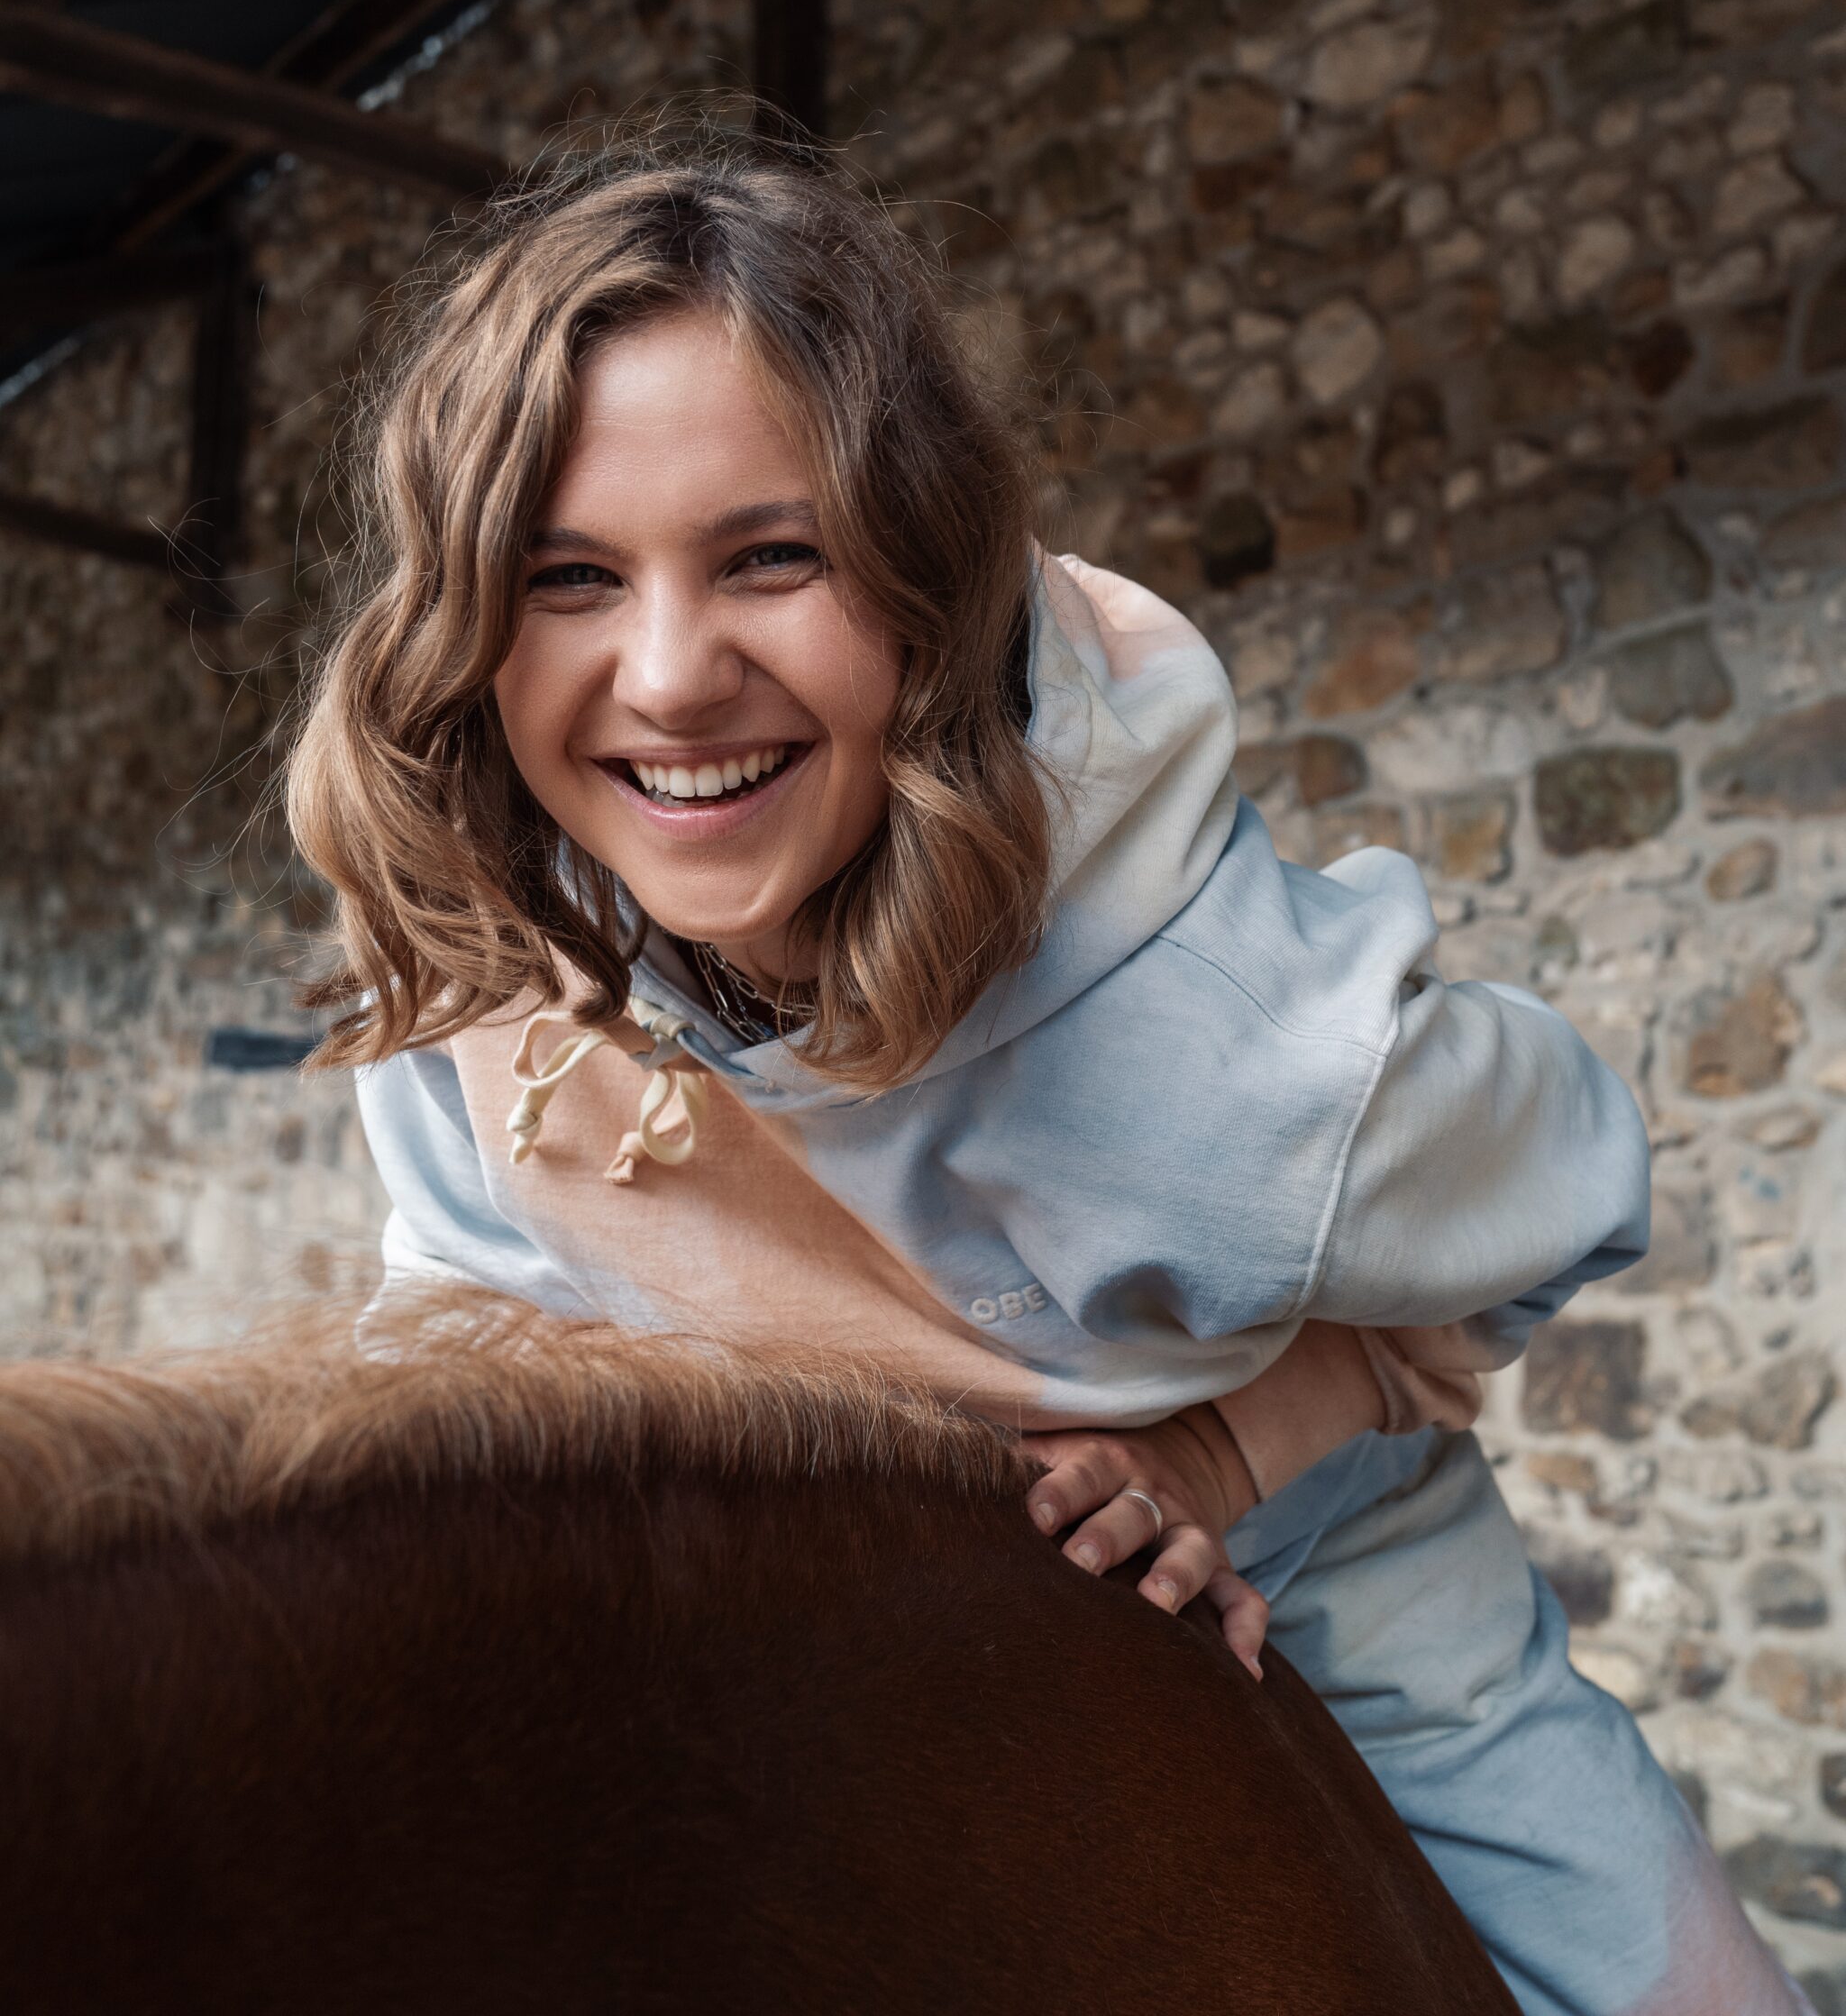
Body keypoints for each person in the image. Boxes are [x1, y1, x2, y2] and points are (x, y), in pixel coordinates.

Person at [287, 118, 1812, 2016]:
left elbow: (1572, 1177)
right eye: (569, 575)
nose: (668, 676)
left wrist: (1215, 1451)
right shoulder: (484, 962)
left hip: (1322, 1574)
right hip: (831, 1607)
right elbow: (469, 1319)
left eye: (773, 556)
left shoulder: (1229, 1058)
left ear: (925, 577)